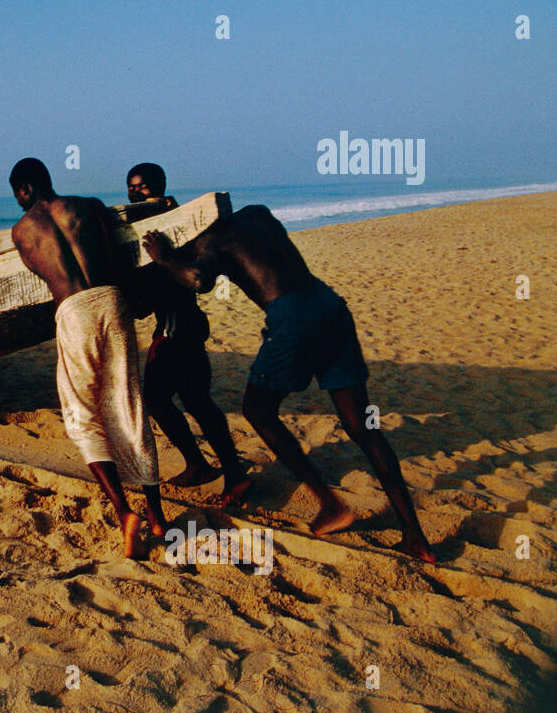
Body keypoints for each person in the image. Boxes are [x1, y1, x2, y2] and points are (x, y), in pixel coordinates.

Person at [142, 205, 437, 562]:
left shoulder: (211, 238)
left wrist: (164, 258)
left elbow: (199, 282)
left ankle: (330, 504)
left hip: (291, 315)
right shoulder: (257, 214)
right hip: (328, 304)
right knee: (362, 426)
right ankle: (415, 536)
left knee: (258, 410)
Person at [8, 157, 164, 558]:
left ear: (25, 189)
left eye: (17, 195)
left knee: (81, 415)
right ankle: (157, 515)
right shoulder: (89, 206)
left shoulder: (22, 231)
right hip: (112, 302)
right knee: (129, 403)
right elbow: (115, 259)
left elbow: (45, 275)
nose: (18, 202)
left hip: (74, 312)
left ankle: (125, 512)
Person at [123, 164, 251, 500]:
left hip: (175, 331)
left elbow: (186, 283)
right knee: (197, 401)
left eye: (143, 187)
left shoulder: (170, 230)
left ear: (161, 188)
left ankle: (205, 466)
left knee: (159, 400)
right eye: (131, 189)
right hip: (183, 326)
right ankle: (226, 471)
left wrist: (153, 264)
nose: (136, 193)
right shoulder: (159, 228)